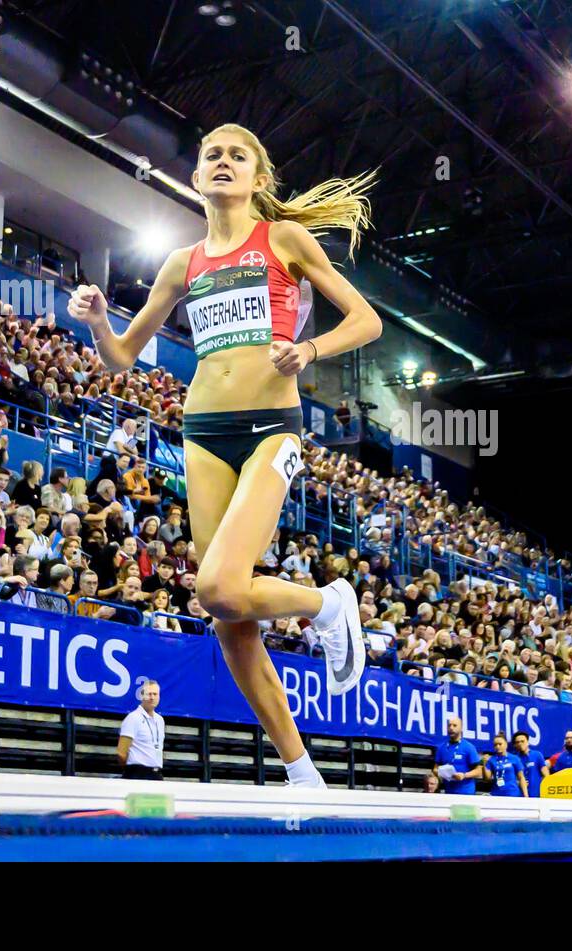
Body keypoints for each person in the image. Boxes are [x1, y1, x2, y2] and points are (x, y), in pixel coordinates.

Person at [68, 122, 380, 789]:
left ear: (259, 180)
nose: (223, 161)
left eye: (239, 155)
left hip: (273, 424)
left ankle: (327, 604)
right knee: (228, 616)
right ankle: (303, 774)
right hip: (204, 430)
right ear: (197, 175)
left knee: (216, 585)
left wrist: (312, 351)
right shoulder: (181, 263)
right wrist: (98, 319)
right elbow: (122, 358)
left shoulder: (284, 240)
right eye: (212, 154)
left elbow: (366, 319)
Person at [117, 680, 164, 780]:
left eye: (155, 694)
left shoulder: (160, 720)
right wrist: (132, 770)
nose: (152, 697)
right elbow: (121, 753)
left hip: (156, 773)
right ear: (142, 696)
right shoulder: (133, 718)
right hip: (137, 773)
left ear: (159, 696)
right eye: (149, 694)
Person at [434, 716, 482, 794]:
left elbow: (479, 771)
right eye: (449, 725)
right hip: (449, 792)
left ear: (461, 728)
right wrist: (443, 774)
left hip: (466, 792)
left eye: (454, 725)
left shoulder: (469, 747)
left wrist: (464, 775)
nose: (451, 728)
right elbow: (435, 769)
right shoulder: (441, 747)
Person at [483, 733, 527, 797]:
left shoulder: (515, 758)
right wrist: (484, 764)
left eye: (500, 744)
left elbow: (521, 777)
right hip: (496, 794)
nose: (498, 747)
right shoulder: (491, 760)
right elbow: (487, 778)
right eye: (495, 745)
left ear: (506, 744)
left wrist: (526, 795)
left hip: (513, 794)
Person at [510, 731, 548, 798]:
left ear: (528, 742)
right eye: (517, 742)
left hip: (537, 795)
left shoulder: (537, 755)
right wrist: (517, 783)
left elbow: (546, 775)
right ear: (515, 745)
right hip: (520, 796)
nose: (520, 744)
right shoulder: (514, 759)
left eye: (522, 741)